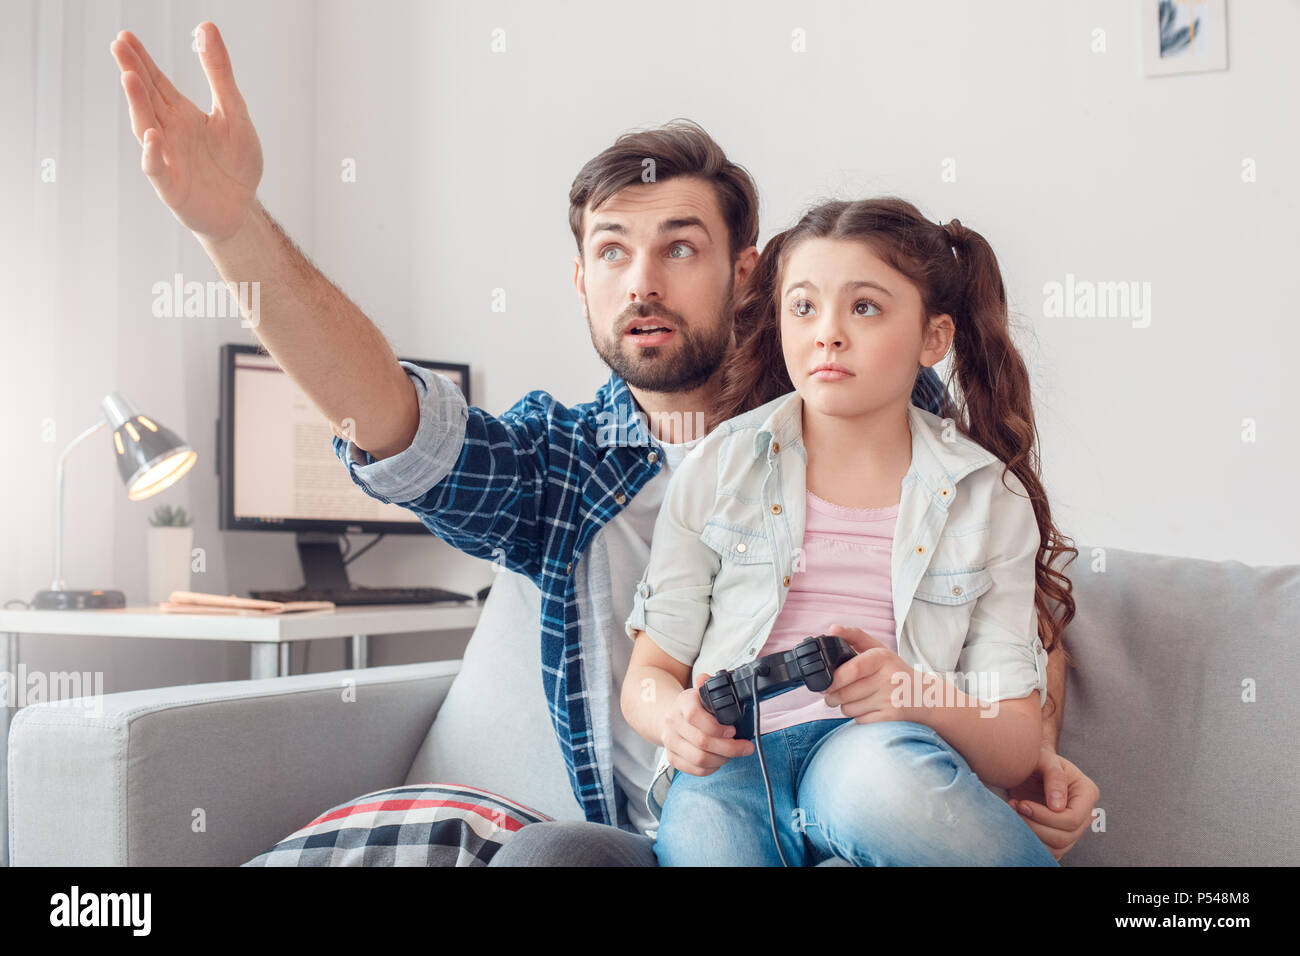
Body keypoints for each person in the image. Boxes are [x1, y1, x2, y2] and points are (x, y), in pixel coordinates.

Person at [108, 22, 1099, 865]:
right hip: (682, 823)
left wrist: (1032, 746)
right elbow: (397, 426)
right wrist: (234, 230)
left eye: (679, 245)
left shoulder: (859, 398)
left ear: (747, 274)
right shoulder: (563, 467)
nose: (642, 282)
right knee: (544, 856)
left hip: (868, 803)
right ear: (579, 281)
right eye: (612, 251)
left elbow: (1006, 589)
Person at [620, 196, 1074, 866]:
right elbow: (650, 674)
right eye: (804, 307)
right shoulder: (718, 464)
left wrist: (914, 695)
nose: (827, 333)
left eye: (864, 307)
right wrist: (672, 720)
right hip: (733, 764)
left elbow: (1013, 747)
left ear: (933, 338)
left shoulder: (988, 497)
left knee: (876, 785)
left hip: (875, 746)